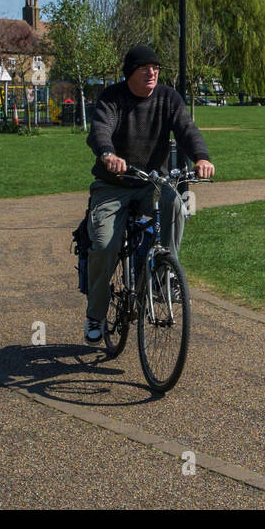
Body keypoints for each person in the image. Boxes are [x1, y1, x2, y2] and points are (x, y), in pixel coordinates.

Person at [82, 45, 216, 346]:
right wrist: (107, 154)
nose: (152, 73)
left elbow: (186, 128)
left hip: (151, 182)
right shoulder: (112, 98)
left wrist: (201, 157)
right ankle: (95, 313)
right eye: (145, 68)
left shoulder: (168, 98)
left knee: (175, 205)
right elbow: (100, 129)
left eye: (155, 68)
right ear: (130, 72)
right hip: (113, 184)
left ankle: (164, 274)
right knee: (104, 244)